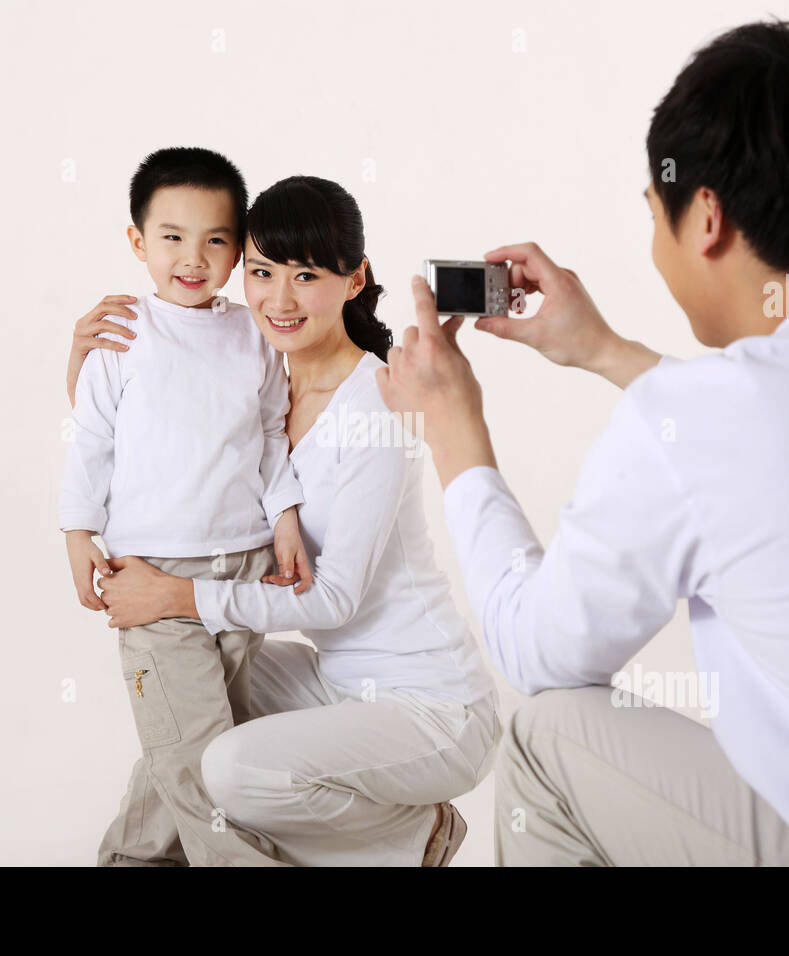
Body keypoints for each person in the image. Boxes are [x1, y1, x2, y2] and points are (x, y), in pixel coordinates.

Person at [377, 19, 789, 866]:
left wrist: (454, 429)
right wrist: (604, 352)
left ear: (705, 216)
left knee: (546, 733)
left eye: (656, 214)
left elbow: (538, 651)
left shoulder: (699, 423)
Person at [82, 175, 500, 866]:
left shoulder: (378, 405)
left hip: (432, 709)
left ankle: (410, 836)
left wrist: (181, 594)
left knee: (232, 769)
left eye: (306, 275)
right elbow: (157, 434)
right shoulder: (257, 373)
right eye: (261, 271)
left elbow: (334, 598)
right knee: (186, 688)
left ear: (354, 279)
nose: (279, 299)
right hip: (334, 682)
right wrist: (83, 363)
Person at [59, 146, 314, 866]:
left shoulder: (252, 335)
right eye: (171, 236)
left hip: (241, 569)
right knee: (196, 755)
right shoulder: (121, 334)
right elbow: (91, 437)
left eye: (216, 240)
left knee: (187, 740)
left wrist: (285, 515)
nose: (192, 257)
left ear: (239, 250)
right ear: (138, 241)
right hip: (152, 573)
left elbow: (269, 433)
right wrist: (78, 529)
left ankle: (132, 860)